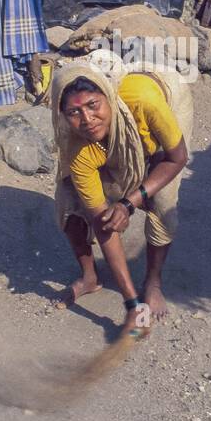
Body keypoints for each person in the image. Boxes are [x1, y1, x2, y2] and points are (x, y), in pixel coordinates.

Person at [49, 62, 191, 333]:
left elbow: (178, 158)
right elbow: (103, 223)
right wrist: (131, 304)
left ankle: (153, 282)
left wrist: (129, 202)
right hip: (112, 141)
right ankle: (90, 277)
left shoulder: (145, 102)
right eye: (74, 112)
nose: (87, 119)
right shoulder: (78, 150)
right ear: (63, 116)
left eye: (93, 105)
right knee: (68, 198)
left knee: (162, 202)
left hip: (164, 102)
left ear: (108, 98)